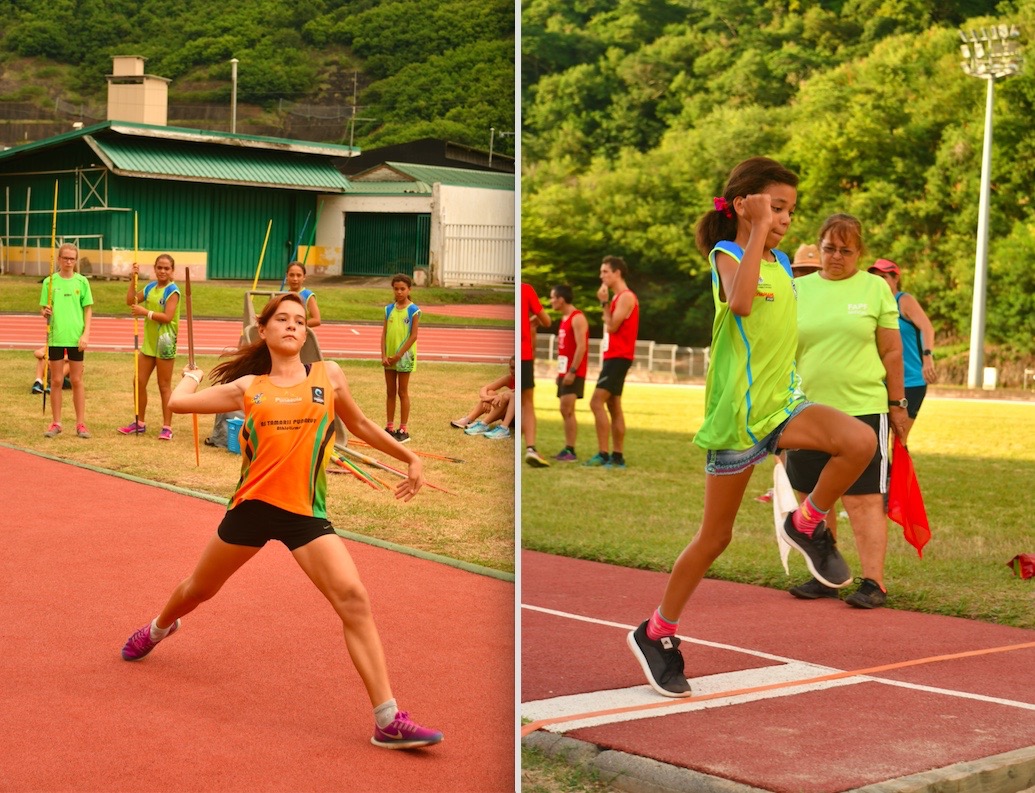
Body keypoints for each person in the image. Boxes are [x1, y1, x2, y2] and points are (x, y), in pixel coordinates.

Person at [120, 292, 442, 750]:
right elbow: (175, 403)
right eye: (282, 320)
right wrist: (190, 378)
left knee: (353, 598)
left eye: (298, 321)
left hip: (304, 513)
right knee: (199, 590)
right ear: (264, 332)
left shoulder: (327, 375)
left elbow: (365, 424)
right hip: (252, 508)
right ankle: (159, 627)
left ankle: (387, 718)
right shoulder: (247, 386)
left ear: (305, 333)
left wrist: (409, 456)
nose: (292, 325)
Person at [626, 157, 876, 699]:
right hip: (737, 419)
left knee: (861, 441)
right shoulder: (729, 254)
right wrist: (759, 230)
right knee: (715, 537)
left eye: (790, 209)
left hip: (783, 406)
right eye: (777, 207)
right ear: (743, 204)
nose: (786, 218)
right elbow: (740, 303)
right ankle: (656, 632)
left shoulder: (784, 262)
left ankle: (807, 523)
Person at [785, 218, 909, 609]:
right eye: (829, 248)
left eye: (845, 250)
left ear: (859, 253)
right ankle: (827, 574)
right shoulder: (797, 288)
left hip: (864, 409)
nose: (836, 257)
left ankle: (874, 582)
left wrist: (898, 403)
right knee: (813, 496)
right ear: (818, 248)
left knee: (863, 499)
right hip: (808, 410)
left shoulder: (874, 288)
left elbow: (891, 351)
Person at [756, 243, 822, 503]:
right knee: (781, 438)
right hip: (785, 378)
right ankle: (781, 486)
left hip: (816, 381)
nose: (805, 276)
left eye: (812, 271)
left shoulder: (824, 300)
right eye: (801, 270)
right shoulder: (784, 294)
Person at [869, 258, 937, 438]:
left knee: (899, 437)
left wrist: (928, 358)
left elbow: (927, 328)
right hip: (882, 381)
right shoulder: (873, 304)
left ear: (895, 278)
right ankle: (886, 467)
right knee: (877, 436)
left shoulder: (904, 300)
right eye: (876, 278)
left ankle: (900, 467)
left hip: (911, 381)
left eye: (884, 277)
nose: (880, 281)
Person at [117, 255, 181, 440]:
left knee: (164, 385)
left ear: (172, 271)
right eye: (159, 267)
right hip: (149, 342)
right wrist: (133, 280)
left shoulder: (173, 291)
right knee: (138, 381)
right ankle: (139, 422)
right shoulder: (150, 287)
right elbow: (131, 301)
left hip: (165, 340)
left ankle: (167, 427)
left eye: (166, 268)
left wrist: (145, 312)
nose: (162, 271)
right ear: (154, 268)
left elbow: (168, 317)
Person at [584, 256, 639, 468]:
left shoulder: (626, 297)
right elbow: (610, 324)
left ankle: (604, 453)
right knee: (613, 405)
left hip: (618, 357)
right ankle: (617, 457)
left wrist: (604, 303)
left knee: (596, 402)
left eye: (605, 271)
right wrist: (606, 304)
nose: (601, 276)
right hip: (614, 356)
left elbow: (612, 326)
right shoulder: (619, 298)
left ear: (617, 273)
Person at [39, 243, 93, 438]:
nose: (69, 261)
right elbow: (44, 308)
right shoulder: (49, 282)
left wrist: (86, 334)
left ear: (75, 260)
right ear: (59, 259)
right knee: (56, 380)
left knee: (77, 380)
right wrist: (45, 312)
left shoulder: (82, 282)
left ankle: (80, 424)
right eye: (65, 258)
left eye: (72, 258)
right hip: (56, 337)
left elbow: (88, 309)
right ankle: (56, 423)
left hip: (76, 337)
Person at [549, 284, 589, 462]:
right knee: (565, 410)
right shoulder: (565, 318)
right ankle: (568, 449)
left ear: (561, 299)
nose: (551, 301)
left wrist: (572, 371)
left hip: (574, 372)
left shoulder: (577, 317)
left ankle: (570, 451)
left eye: (552, 298)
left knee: (567, 409)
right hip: (564, 372)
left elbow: (582, 346)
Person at [381, 273, 420, 443]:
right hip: (389, 358)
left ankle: (403, 428)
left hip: (404, 357)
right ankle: (389, 427)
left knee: (402, 392)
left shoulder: (413, 310)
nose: (399, 292)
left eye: (402, 289)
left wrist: (398, 355)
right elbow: (384, 334)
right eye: (396, 289)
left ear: (409, 289)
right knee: (390, 392)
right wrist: (384, 355)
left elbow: (413, 336)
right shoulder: (388, 309)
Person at [521, 281, 552, 467]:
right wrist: (532, 320)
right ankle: (531, 448)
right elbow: (546, 320)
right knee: (527, 402)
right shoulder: (526, 289)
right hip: (524, 354)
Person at [451, 356, 515, 436]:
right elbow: (485, 388)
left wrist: (499, 395)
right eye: (512, 368)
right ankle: (469, 419)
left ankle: (487, 425)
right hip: (507, 415)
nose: (514, 371)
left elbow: (512, 393)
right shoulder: (509, 378)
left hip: (517, 419)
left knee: (509, 396)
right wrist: (487, 399)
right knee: (491, 392)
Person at [284, 260, 322, 327]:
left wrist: (297, 325)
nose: (295, 279)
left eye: (298, 275)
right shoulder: (282, 295)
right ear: (287, 276)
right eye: (291, 275)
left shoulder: (308, 295)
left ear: (304, 277)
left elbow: (317, 320)